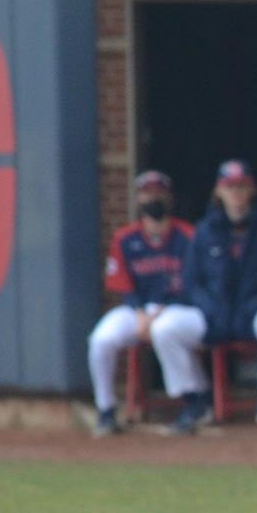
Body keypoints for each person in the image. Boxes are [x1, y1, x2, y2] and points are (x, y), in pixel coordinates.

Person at [153, 159, 257, 432]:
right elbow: (190, 282)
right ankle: (196, 399)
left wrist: (253, 305)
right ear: (218, 192)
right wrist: (210, 307)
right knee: (164, 327)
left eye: (241, 186)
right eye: (229, 187)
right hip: (215, 314)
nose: (236, 193)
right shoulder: (205, 230)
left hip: (255, 312)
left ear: (252, 190)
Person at [86, 170, 194, 436]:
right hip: (137, 309)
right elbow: (122, 284)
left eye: (158, 192)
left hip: (176, 308)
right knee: (100, 339)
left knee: (164, 328)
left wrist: (159, 312)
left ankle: (190, 405)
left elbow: (194, 283)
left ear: (169, 197)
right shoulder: (125, 238)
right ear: (138, 199)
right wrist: (139, 313)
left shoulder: (189, 235)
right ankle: (106, 410)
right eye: (147, 193)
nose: (153, 197)